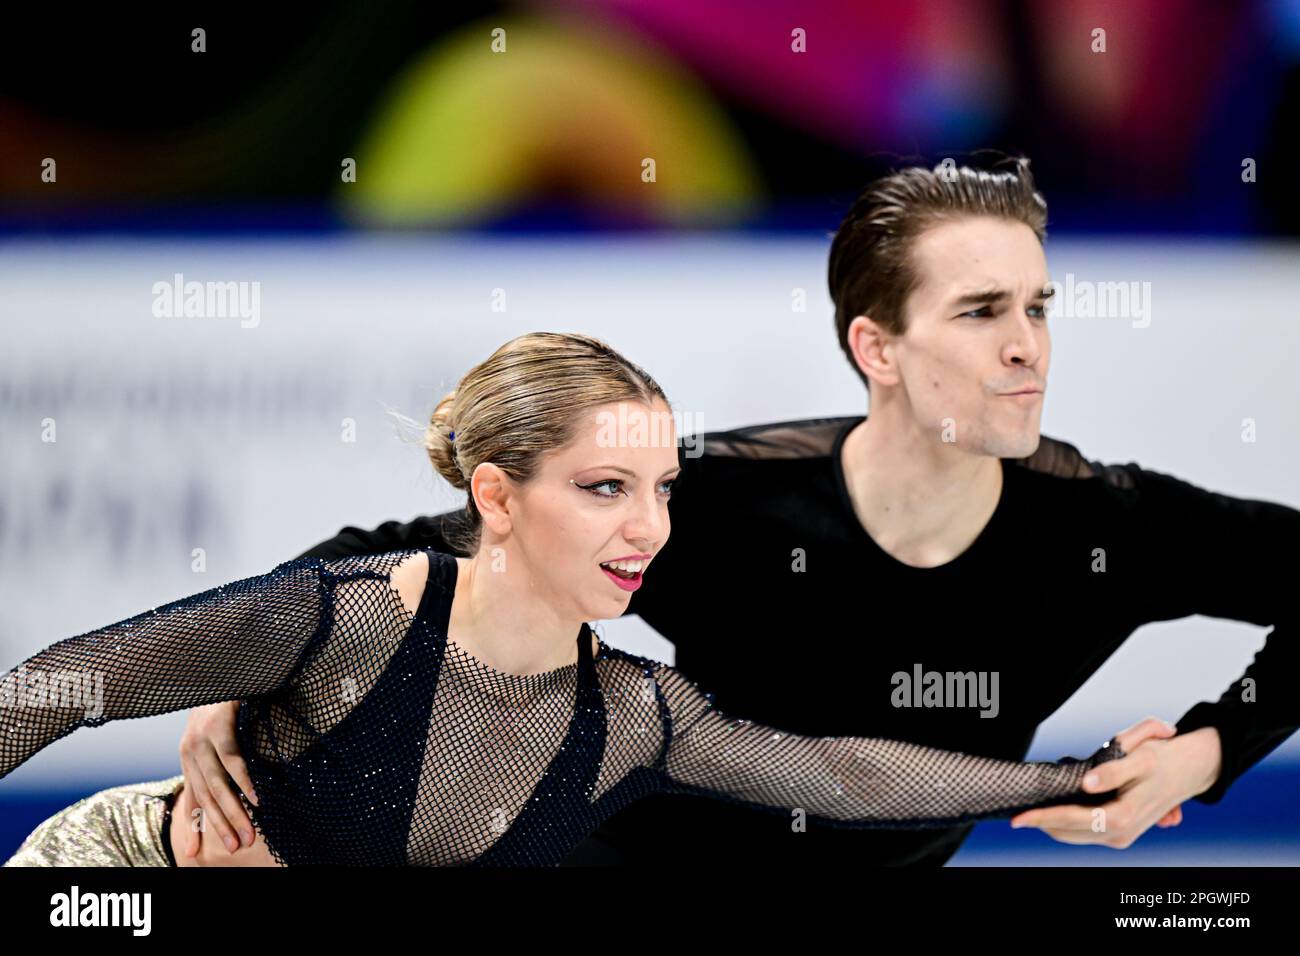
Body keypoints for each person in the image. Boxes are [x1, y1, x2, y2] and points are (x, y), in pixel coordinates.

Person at [178, 158, 1298, 868]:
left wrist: (1207, 750)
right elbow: (399, 555)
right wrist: (238, 668)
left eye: (1038, 308)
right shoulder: (722, 497)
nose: (1026, 346)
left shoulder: (1103, 528)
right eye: (980, 311)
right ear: (878, 348)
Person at [1, 332, 1130, 867]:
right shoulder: (353, 618)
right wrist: (219, 691)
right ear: (496, 495)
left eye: (661, 490)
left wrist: (1063, 780)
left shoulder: (635, 715)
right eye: (604, 489)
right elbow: (61, 684)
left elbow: (842, 769)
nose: (648, 526)